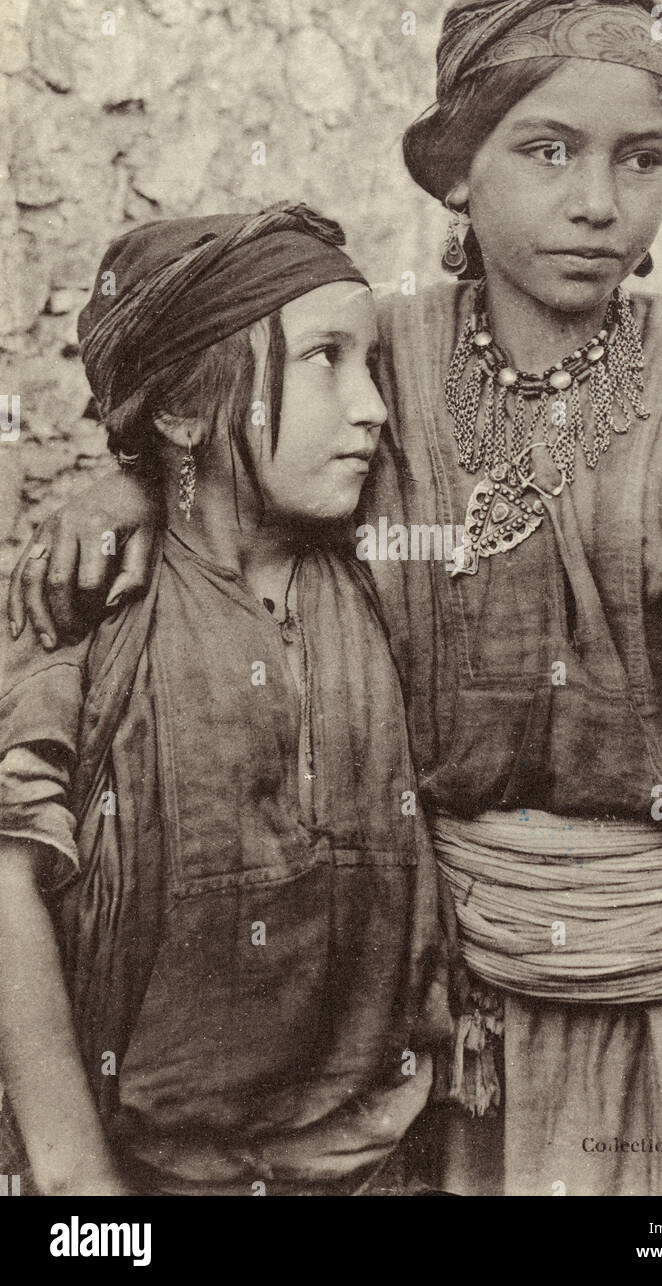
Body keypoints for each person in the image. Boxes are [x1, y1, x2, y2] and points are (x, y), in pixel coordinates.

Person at [8, 0, 662, 1197]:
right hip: (444, 993)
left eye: (639, 159)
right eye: (546, 151)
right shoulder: (385, 346)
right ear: (454, 168)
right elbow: (229, 396)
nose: (597, 202)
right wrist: (127, 480)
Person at [0, 202, 449, 1197]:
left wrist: (138, 479)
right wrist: (77, 1178)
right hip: (152, 1176)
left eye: (370, 363)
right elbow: (10, 881)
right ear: (182, 409)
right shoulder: (90, 609)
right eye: (325, 359)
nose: (373, 405)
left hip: (379, 1164)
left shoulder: (386, 570)